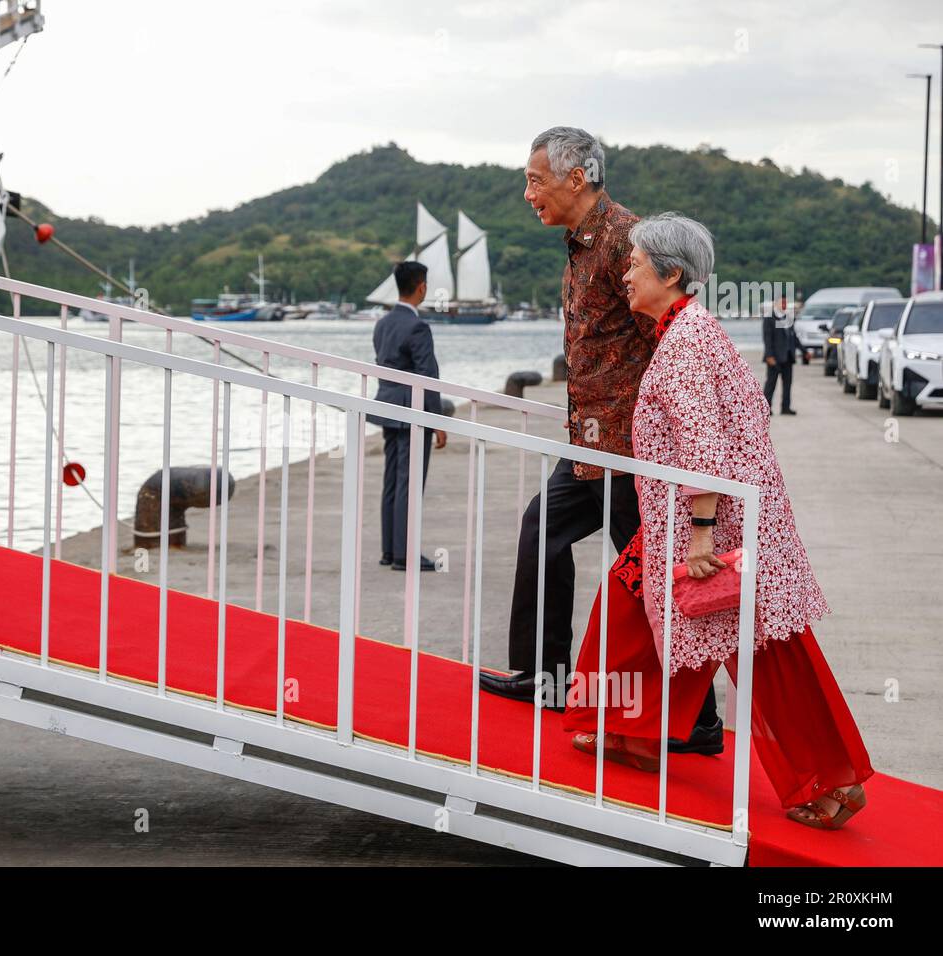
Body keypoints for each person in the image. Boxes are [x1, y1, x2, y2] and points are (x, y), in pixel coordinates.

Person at [564, 213, 872, 829]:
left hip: (712, 529)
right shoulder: (694, 331)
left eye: (636, 263)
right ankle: (625, 730)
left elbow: (703, 444)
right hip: (705, 521)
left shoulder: (685, 344)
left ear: (671, 274)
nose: (625, 272)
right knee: (631, 605)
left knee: (768, 655)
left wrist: (702, 536)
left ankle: (827, 783)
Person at [479, 126, 720, 752]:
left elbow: (665, 339)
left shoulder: (625, 243)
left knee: (655, 576)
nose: (527, 192)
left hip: (630, 450)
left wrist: (669, 436)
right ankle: (544, 676)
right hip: (591, 445)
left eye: (535, 179)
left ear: (576, 177)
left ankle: (697, 722)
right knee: (544, 530)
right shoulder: (580, 243)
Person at [367, 260, 447, 571]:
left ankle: (390, 549)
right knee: (409, 482)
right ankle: (405, 554)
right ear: (421, 287)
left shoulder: (382, 323)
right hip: (413, 411)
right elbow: (427, 375)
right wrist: (437, 420)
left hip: (388, 406)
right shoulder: (418, 327)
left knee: (392, 481)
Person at [762, 296, 798, 415]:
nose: (784, 305)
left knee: (787, 385)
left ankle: (785, 407)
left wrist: (804, 351)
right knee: (771, 384)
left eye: (785, 303)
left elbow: (793, 337)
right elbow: (767, 338)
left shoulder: (788, 318)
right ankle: (766, 408)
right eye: (782, 302)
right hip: (775, 357)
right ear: (775, 304)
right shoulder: (769, 318)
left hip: (788, 357)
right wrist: (769, 355)